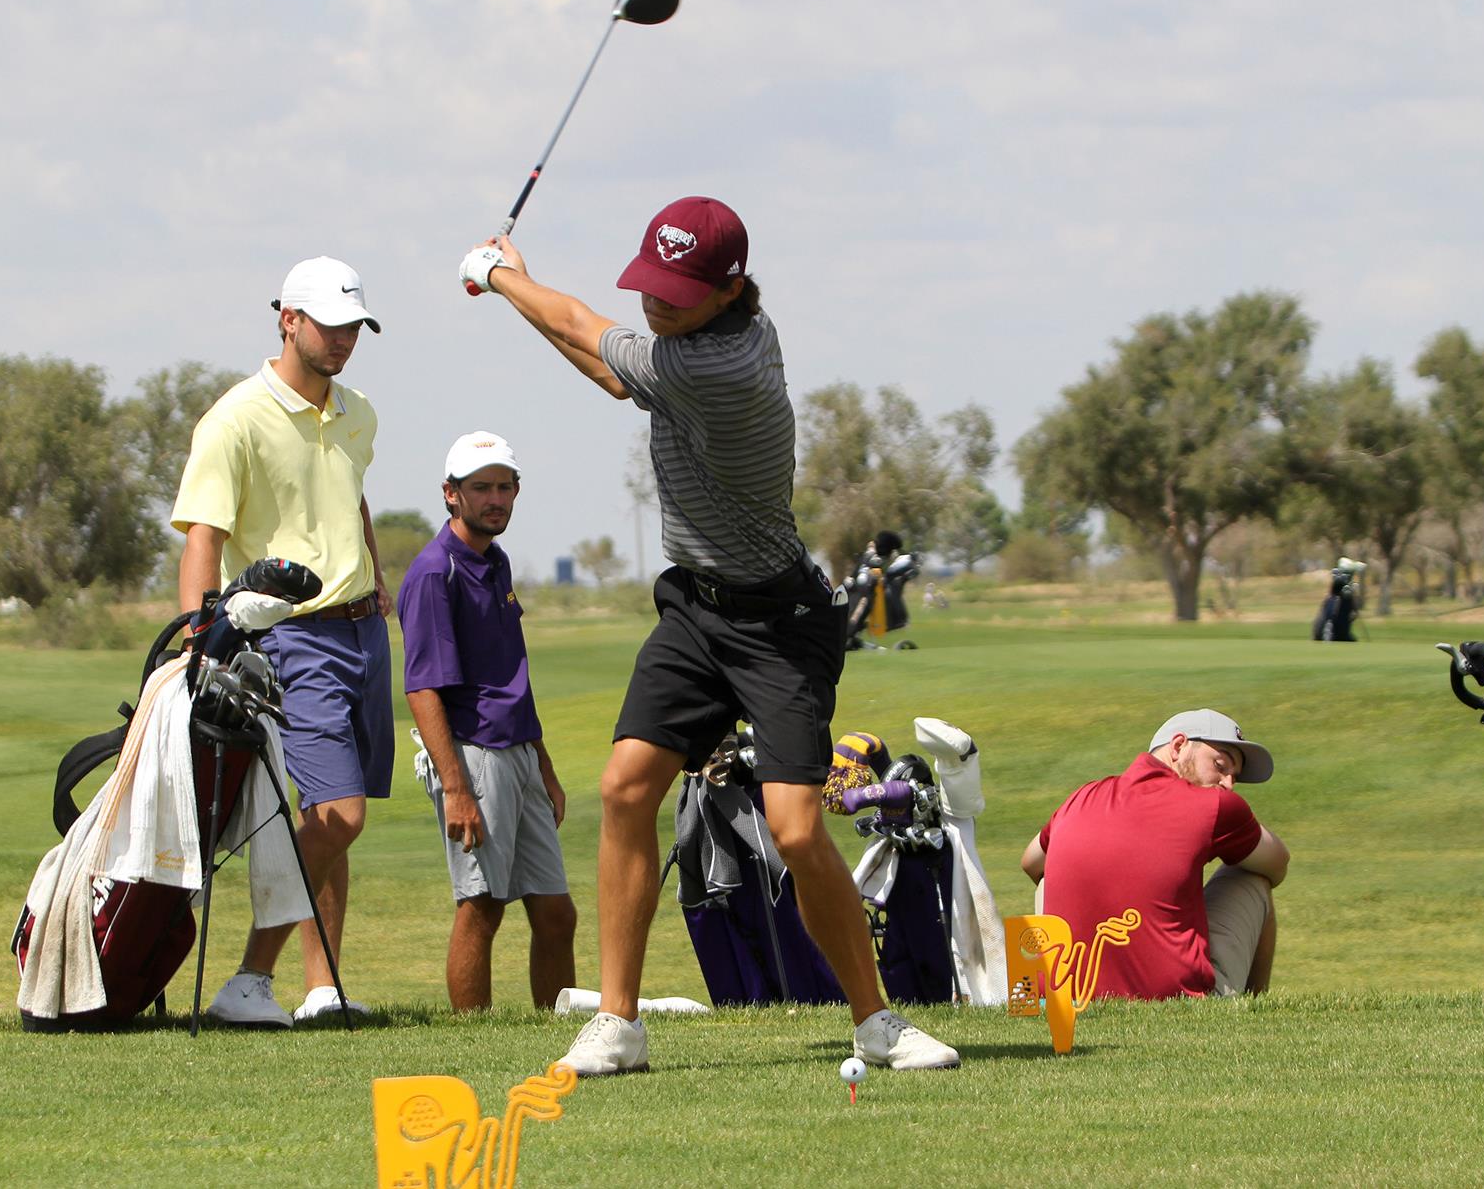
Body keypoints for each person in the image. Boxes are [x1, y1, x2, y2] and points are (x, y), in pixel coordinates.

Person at [459, 196, 959, 1075]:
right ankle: (618, 1022)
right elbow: (612, 372)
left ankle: (877, 1020)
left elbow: (583, 325)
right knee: (624, 786)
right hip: (696, 608)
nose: (658, 303)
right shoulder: (710, 339)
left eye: (678, 295)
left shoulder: (719, 368)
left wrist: (501, 275)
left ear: (729, 292)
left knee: (797, 830)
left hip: (780, 624)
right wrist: (515, 290)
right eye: (652, 285)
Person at [171, 255, 394, 1027]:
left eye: (353, 328)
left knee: (334, 815)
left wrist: (375, 570)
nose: (342, 341)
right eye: (329, 326)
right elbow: (205, 536)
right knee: (340, 813)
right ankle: (248, 979)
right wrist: (200, 638)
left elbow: (349, 496)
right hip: (291, 636)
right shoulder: (235, 417)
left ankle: (321, 987)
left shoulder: (358, 410)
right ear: (287, 320)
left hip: (363, 628)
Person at [396, 430, 577, 1011]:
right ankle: (474, 1037)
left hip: (518, 749)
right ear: (451, 494)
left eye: (505, 487)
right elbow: (421, 688)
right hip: (472, 753)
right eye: (482, 488)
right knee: (482, 904)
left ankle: (559, 1027)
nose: (496, 499)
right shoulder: (433, 573)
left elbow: (509, 675)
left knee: (555, 911)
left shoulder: (494, 561)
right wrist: (456, 789)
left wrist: (543, 765)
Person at [1020, 709, 1289, 999]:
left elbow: (1031, 862)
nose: (1228, 784)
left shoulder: (1080, 797)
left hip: (1069, 998)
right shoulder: (1217, 805)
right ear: (1178, 746)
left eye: (1233, 776)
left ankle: (1059, 989)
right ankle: (1255, 1005)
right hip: (1180, 997)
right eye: (1220, 764)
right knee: (1253, 879)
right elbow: (1277, 864)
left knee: (1050, 876)